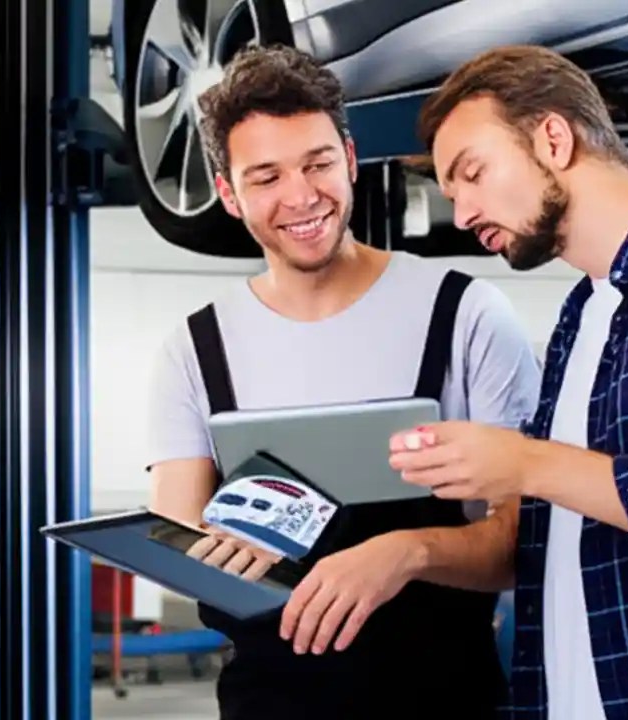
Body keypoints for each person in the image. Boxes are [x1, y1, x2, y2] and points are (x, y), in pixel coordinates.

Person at [143, 44, 542, 719]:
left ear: (350, 163)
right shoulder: (194, 349)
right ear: (228, 194)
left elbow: (522, 545)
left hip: (447, 700)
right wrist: (236, 544)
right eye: (265, 176)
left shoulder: (463, 315)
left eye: (318, 164)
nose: (301, 196)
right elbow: (178, 547)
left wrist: (406, 553)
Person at [390, 44, 628, 720]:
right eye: (453, 192)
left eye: (473, 173)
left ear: (552, 137)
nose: (463, 214)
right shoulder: (581, 312)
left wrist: (528, 463)